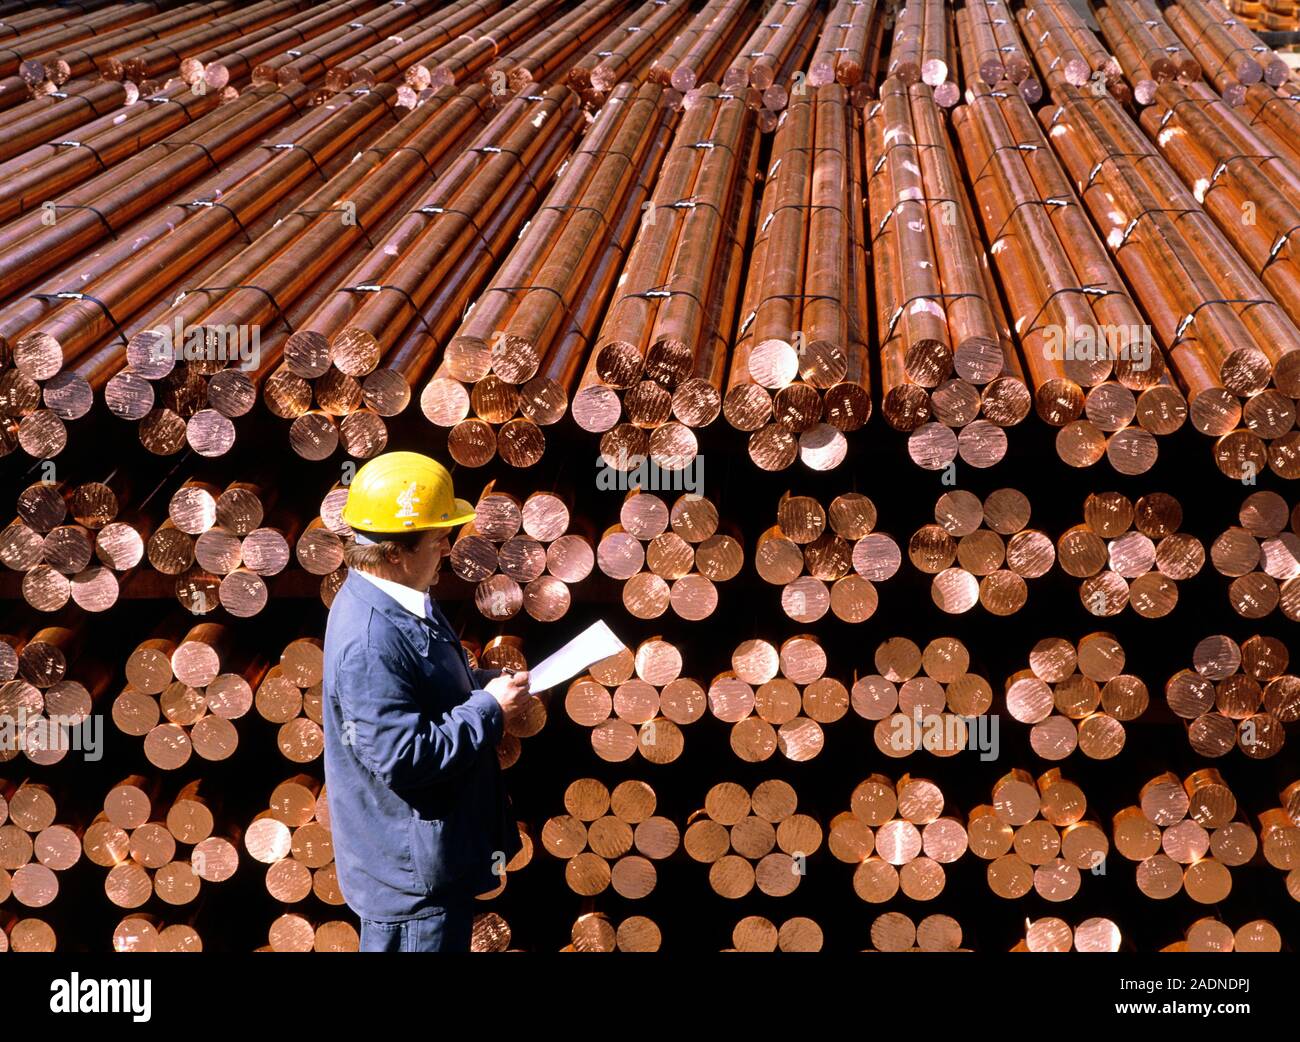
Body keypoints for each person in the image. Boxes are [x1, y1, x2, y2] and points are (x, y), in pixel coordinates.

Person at [322, 451, 532, 951]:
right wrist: (488, 710)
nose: (446, 549)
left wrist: (480, 683)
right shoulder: (371, 637)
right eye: (438, 539)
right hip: (411, 883)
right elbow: (403, 756)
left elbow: (420, 687)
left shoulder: (401, 596)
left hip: (430, 856)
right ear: (395, 551)